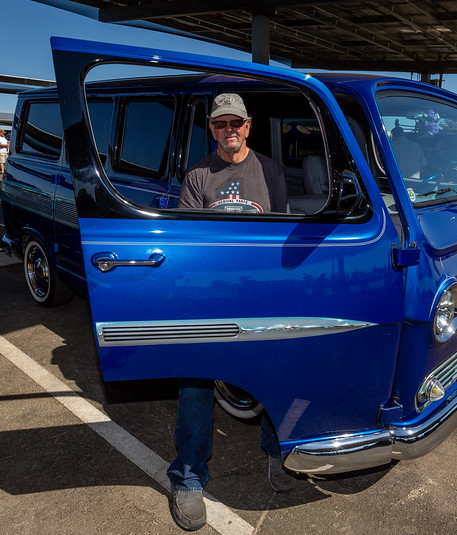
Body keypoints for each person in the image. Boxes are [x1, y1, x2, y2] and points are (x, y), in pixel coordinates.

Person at [169, 93, 293, 531]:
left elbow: (284, 235)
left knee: (281, 370)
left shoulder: (270, 170)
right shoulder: (199, 175)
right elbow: (186, 246)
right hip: (214, 296)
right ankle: (187, 476)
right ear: (212, 128)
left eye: (236, 123)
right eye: (221, 124)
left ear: (248, 125)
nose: (229, 130)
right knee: (195, 380)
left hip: (260, 292)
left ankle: (280, 454)